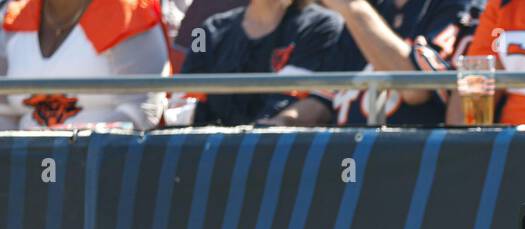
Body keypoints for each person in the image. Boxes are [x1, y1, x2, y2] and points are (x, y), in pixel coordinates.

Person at [275, 0, 480, 126]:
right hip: (350, 159)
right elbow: (325, 98)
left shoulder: (459, 6)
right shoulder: (373, 7)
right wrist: (281, 122)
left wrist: (354, 8)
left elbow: (417, 89)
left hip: (410, 163)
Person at [0, 0, 169, 129]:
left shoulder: (127, 13)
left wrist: (71, 144)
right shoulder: (12, 17)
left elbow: (141, 112)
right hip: (24, 164)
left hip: (102, 164)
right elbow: (3, 113)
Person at [176, 0, 343, 126]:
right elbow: (184, 102)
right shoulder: (210, 29)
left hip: (278, 155)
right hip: (210, 152)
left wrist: (263, 133)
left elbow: (315, 105)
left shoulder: (322, 26)